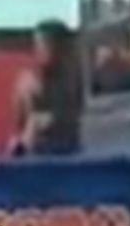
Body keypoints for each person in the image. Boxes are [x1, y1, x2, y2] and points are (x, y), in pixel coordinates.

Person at [13, 21, 84, 156]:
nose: (37, 51)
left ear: (56, 47)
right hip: (41, 151)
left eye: (41, 45)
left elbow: (68, 116)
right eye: (36, 45)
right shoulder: (38, 77)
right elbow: (22, 120)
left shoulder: (71, 78)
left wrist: (37, 121)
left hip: (64, 151)